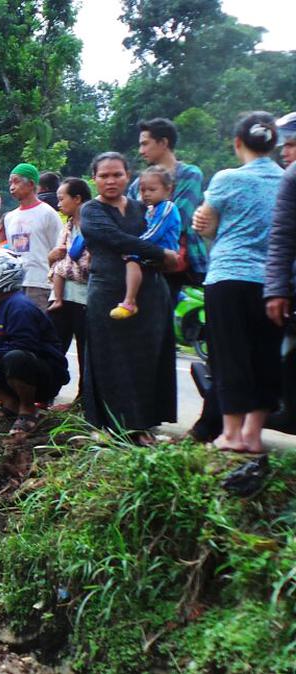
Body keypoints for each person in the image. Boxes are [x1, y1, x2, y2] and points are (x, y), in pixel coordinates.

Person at [192, 112, 285, 455]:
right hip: (274, 282)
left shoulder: (226, 179)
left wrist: (207, 226)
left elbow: (206, 225)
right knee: (265, 356)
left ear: (237, 143)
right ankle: (252, 434)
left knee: (229, 357)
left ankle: (230, 434)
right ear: (274, 144)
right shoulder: (287, 181)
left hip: (228, 277)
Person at [81, 152, 180, 440]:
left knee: (147, 357)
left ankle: (145, 423)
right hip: (108, 292)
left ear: (128, 176)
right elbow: (117, 239)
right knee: (112, 359)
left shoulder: (143, 208)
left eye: (117, 174)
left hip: (150, 293)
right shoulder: (91, 211)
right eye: (104, 175)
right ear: (95, 178)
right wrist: (163, 254)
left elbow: (166, 232)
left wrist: (168, 256)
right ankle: (118, 426)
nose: (111, 180)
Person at [0, 252, 69, 433]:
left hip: (43, 376)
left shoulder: (20, 307)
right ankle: (10, 404)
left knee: (15, 358)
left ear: (0, 277)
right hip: (6, 369)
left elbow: (23, 346)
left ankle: (28, 410)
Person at [128, 117, 208, 291]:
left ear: (163, 142)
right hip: (143, 263)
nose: (141, 151)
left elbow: (180, 219)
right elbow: (130, 220)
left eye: (145, 144)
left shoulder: (189, 174)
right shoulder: (137, 185)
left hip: (178, 266)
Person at [103, 165, 181, 319]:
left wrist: (133, 245)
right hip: (151, 248)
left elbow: (154, 232)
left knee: (131, 259)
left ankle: (129, 302)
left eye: (152, 190)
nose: (146, 194)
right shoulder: (151, 209)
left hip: (163, 249)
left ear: (168, 190)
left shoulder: (167, 207)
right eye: (143, 190)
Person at [46, 177, 92, 408]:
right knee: (54, 348)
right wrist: (54, 258)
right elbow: (55, 260)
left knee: (87, 353)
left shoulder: (93, 225)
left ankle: (84, 400)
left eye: (62, 198)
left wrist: (59, 262)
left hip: (86, 297)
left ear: (77, 198)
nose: (59, 204)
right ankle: (46, 394)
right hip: (61, 298)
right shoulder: (68, 225)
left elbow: (86, 265)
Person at [263, 112, 296, 432]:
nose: (285, 152)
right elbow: (282, 236)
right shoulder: (292, 177)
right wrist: (276, 288)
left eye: (292, 144)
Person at [2, 163, 64, 311]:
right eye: (10, 182)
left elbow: (59, 249)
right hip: (16, 284)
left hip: (40, 284)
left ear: (30, 184)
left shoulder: (48, 213)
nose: (12, 186)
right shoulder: (9, 217)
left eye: (16, 181)